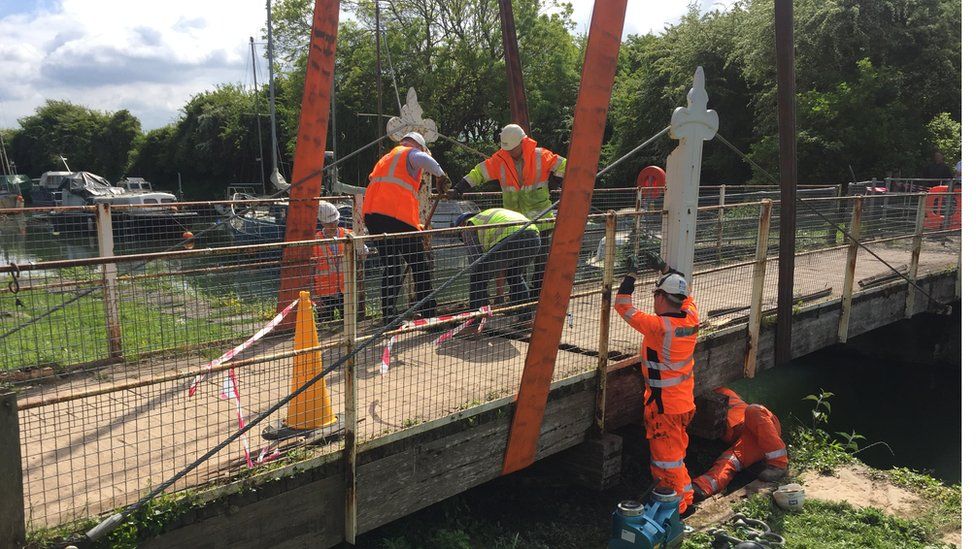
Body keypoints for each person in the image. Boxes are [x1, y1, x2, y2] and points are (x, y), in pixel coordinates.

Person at [614, 268, 699, 515]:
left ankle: (677, 508)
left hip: (664, 409)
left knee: (666, 462)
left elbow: (623, 307)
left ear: (661, 297)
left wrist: (629, 278)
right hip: (683, 403)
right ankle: (687, 497)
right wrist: (673, 276)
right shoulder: (691, 317)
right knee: (675, 456)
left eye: (655, 295)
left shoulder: (658, 326)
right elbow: (688, 298)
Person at [451, 123, 567, 298]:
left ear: (523, 142)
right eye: (508, 149)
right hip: (515, 225)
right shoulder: (500, 159)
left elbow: (563, 164)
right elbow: (479, 173)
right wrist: (459, 188)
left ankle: (536, 303)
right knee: (514, 270)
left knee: (541, 267)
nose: (511, 152)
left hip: (541, 220)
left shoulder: (540, 155)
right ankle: (519, 305)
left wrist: (555, 182)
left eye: (513, 148)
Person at [363, 132, 450, 324]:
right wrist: (442, 176)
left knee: (392, 265)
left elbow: (393, 192)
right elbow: (421, 158)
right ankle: (428, 312)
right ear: (419, 146)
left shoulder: (386, 158)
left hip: (373, 217)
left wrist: (415, 225)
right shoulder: (410, 153)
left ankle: (388, 315)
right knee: (419, 264)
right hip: (394, 219)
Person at [691, 387, 788, 501]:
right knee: (728, 460)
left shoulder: (720, 390)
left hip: (764, 425)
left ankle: (779, 464)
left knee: (754, 410)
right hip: (745, 440)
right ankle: (700, 488)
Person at [455, 208, 540, 317]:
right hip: (533, 237)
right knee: (515, 275)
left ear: (461, 225)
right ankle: (526, 318)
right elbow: (500, 265)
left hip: (512, 238)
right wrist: (499, 295)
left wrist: (484, 295)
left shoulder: (469, 226)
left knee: (477, 277)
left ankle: (476, 320)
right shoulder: (489, 217)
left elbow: (475, 264)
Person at [310, 202, 361, 324]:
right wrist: (313, 294)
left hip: (346, 289)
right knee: (325, 326)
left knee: (349, 324)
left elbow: (362, 253)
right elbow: (310, 270)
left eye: (335, 221)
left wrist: (361, 249)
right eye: (329, 223)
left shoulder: (348, 235)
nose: (333, 224)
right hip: (324, 293)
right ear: (322, 222)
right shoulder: (315, 241)